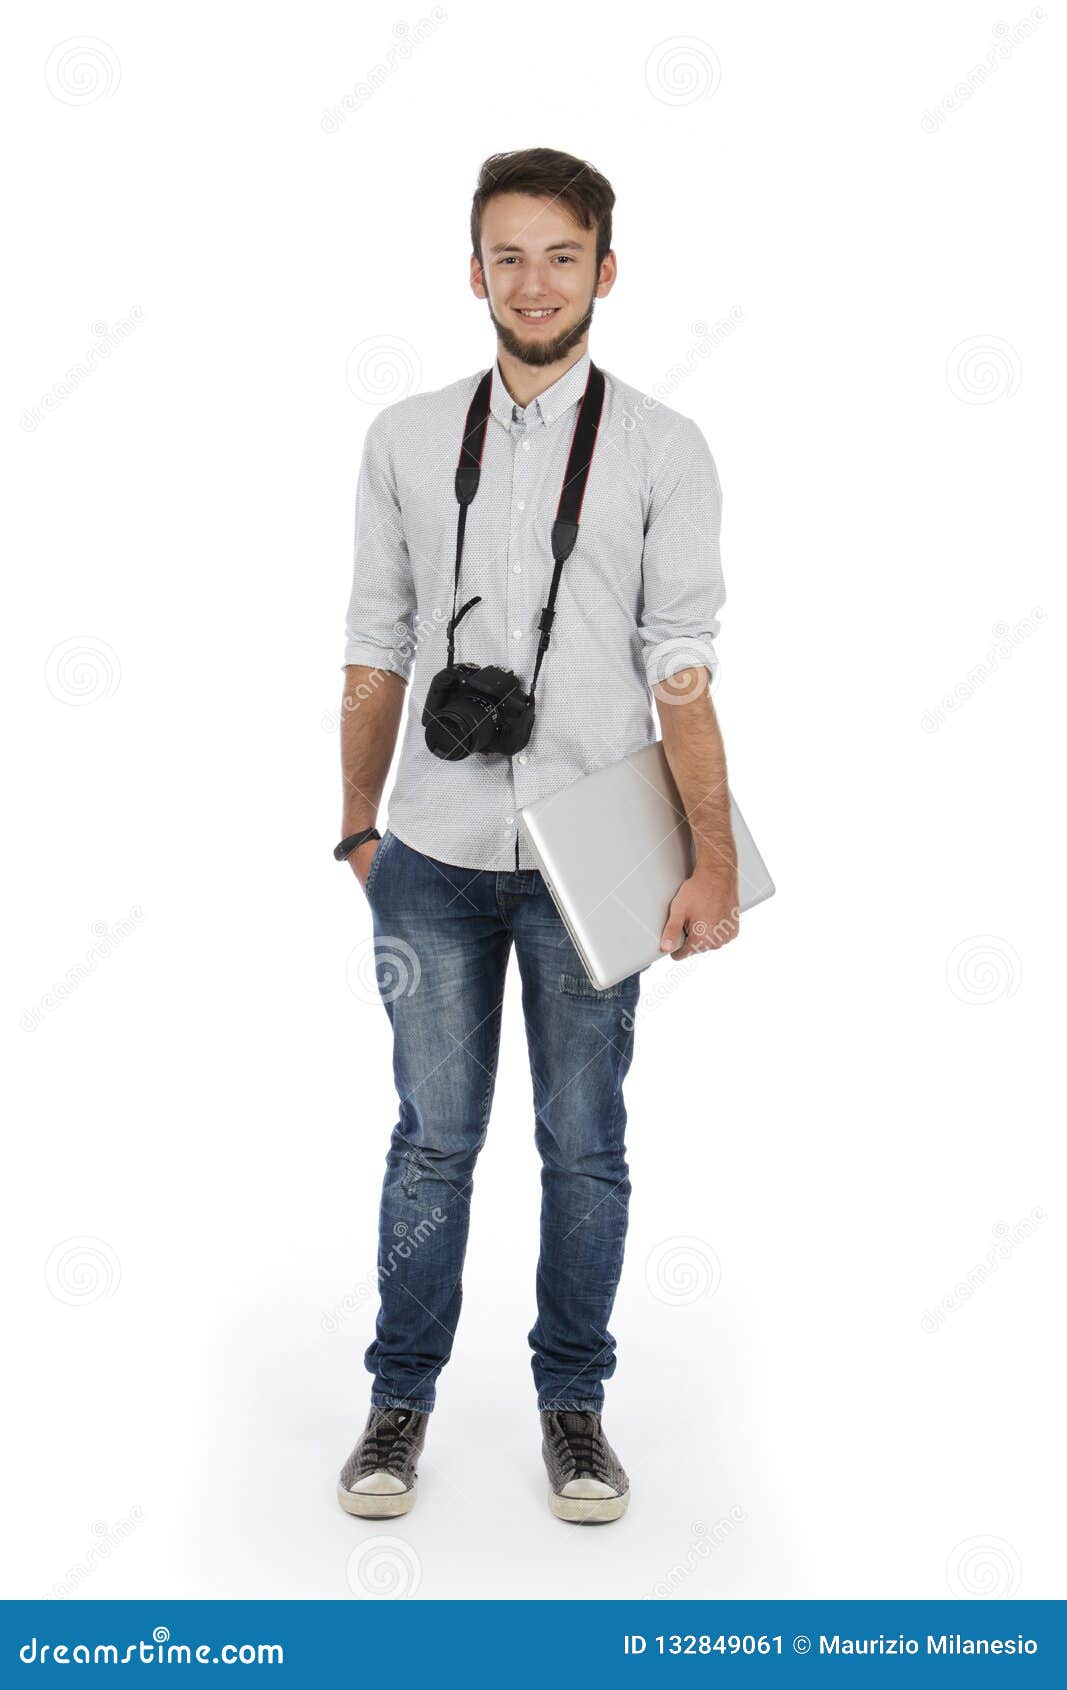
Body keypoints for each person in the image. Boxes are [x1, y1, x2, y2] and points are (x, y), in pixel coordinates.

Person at [334, 147, 739, 1525]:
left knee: (586, 1143)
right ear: (474, 273)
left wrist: (713, 857)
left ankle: (575, 1405)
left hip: (597, 848)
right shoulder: (400, 438)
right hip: (433, 849)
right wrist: (355, 830)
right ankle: (401, 1399)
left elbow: (680, 664)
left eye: (562, 253)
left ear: (605, 270)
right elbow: (375, 645)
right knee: (431, 1142)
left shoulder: (664, 448)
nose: (535, 280)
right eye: (508, 254)